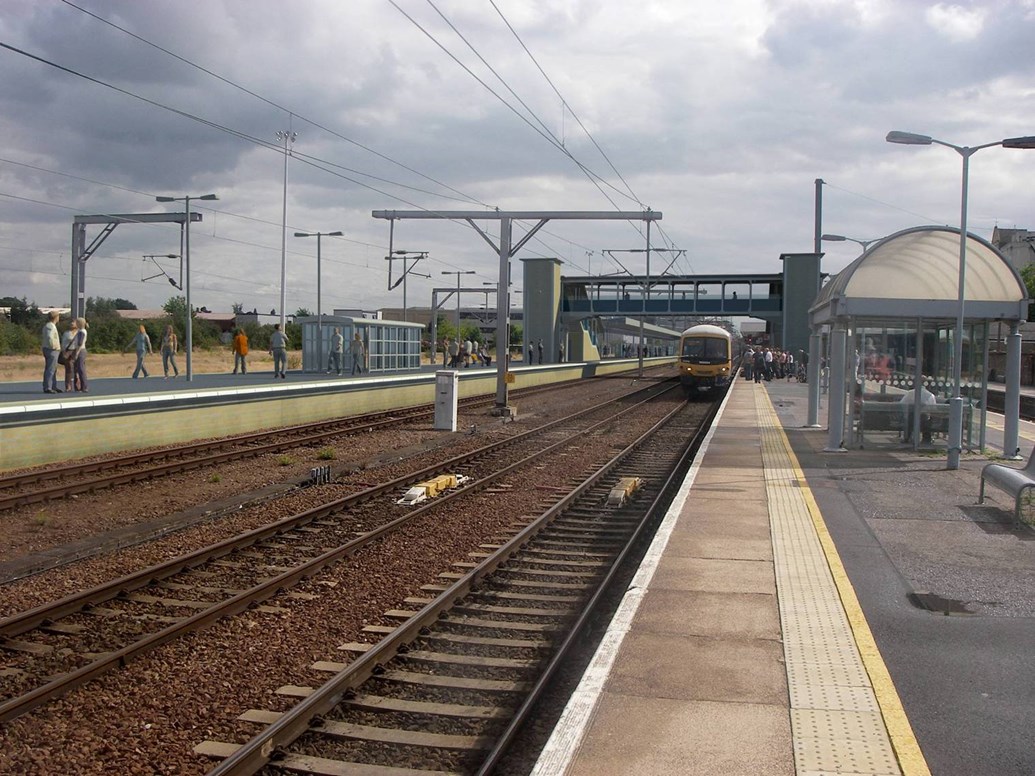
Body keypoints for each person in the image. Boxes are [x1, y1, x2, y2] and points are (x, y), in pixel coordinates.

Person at [40, 310, 61, 393]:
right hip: (51, 349)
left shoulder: (50, 326)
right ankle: (48, 387)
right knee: (50, 369)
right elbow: (50, 337)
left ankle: (53, 386)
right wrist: (54, 346)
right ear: (56, 317)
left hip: (49, 349)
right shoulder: (50, 326)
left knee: (53, 368)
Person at [61, 318, 79, 392]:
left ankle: (78, 385)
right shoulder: (66, 333)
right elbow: (63, 343)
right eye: (71, 322)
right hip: (68, 351)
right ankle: (68, 386)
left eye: (73, 322)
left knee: (77, 369)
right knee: (69, 369)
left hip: (77, 351)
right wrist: (63, 351)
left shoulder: (79, 332)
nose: (72, 324)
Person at [72, 317, 89, 392]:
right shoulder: (81, 331)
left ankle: (84, 386)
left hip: (80, 350)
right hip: (81, 350)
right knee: (79, 368)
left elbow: (80, 343)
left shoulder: (81, 332)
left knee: (81, 369)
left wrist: (77, 352)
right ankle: (82, 386)